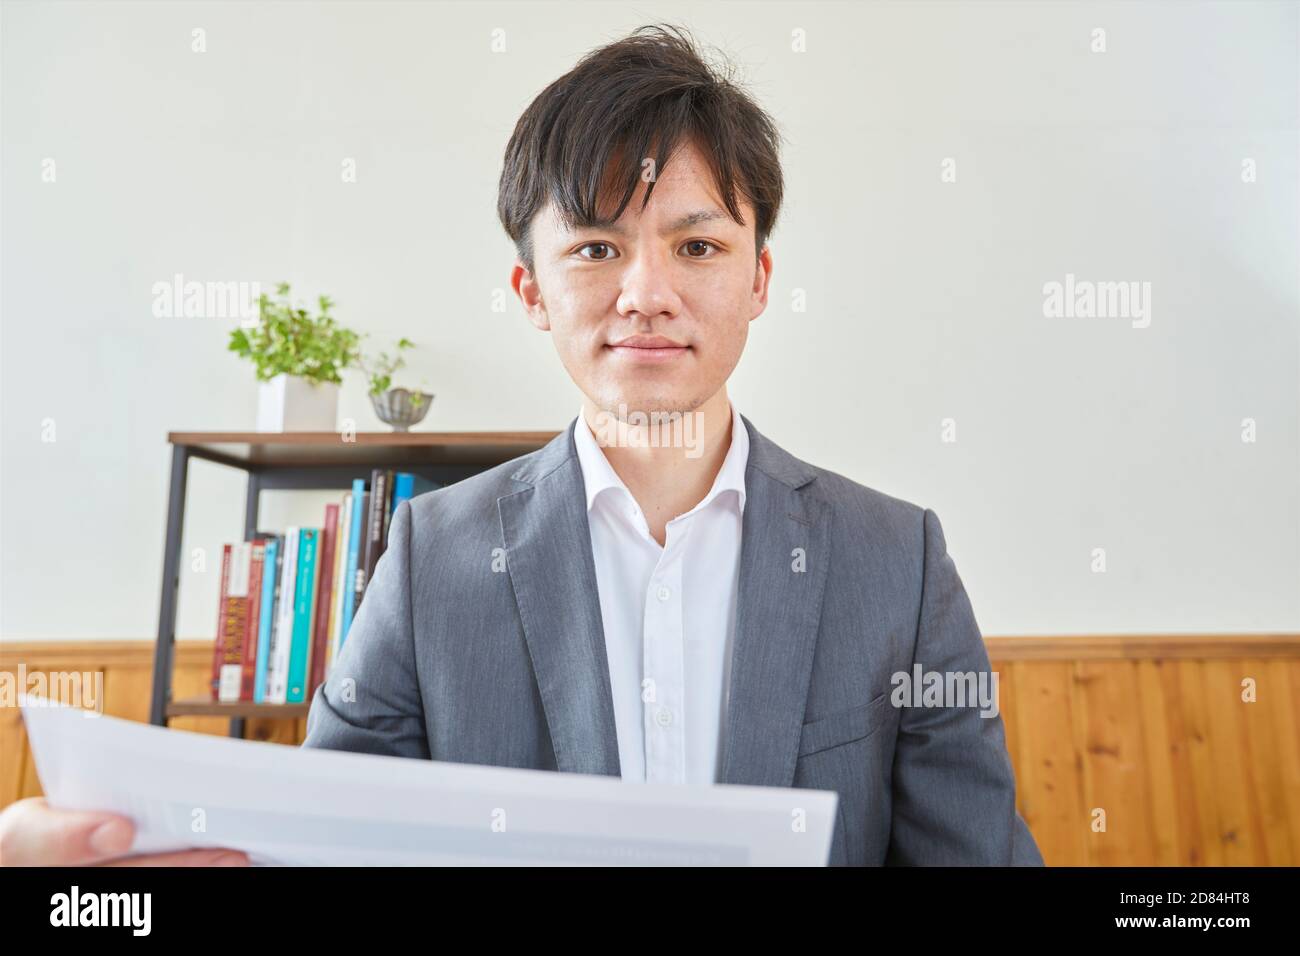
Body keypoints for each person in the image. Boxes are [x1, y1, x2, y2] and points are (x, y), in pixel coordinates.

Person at [0, 23, 1042, 867]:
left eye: (697, 244)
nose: (646, 293)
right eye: (595, 247)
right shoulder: (428, 558)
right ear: (530, 291)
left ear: (758, 278)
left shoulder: (893, 561)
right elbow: (322, 846)